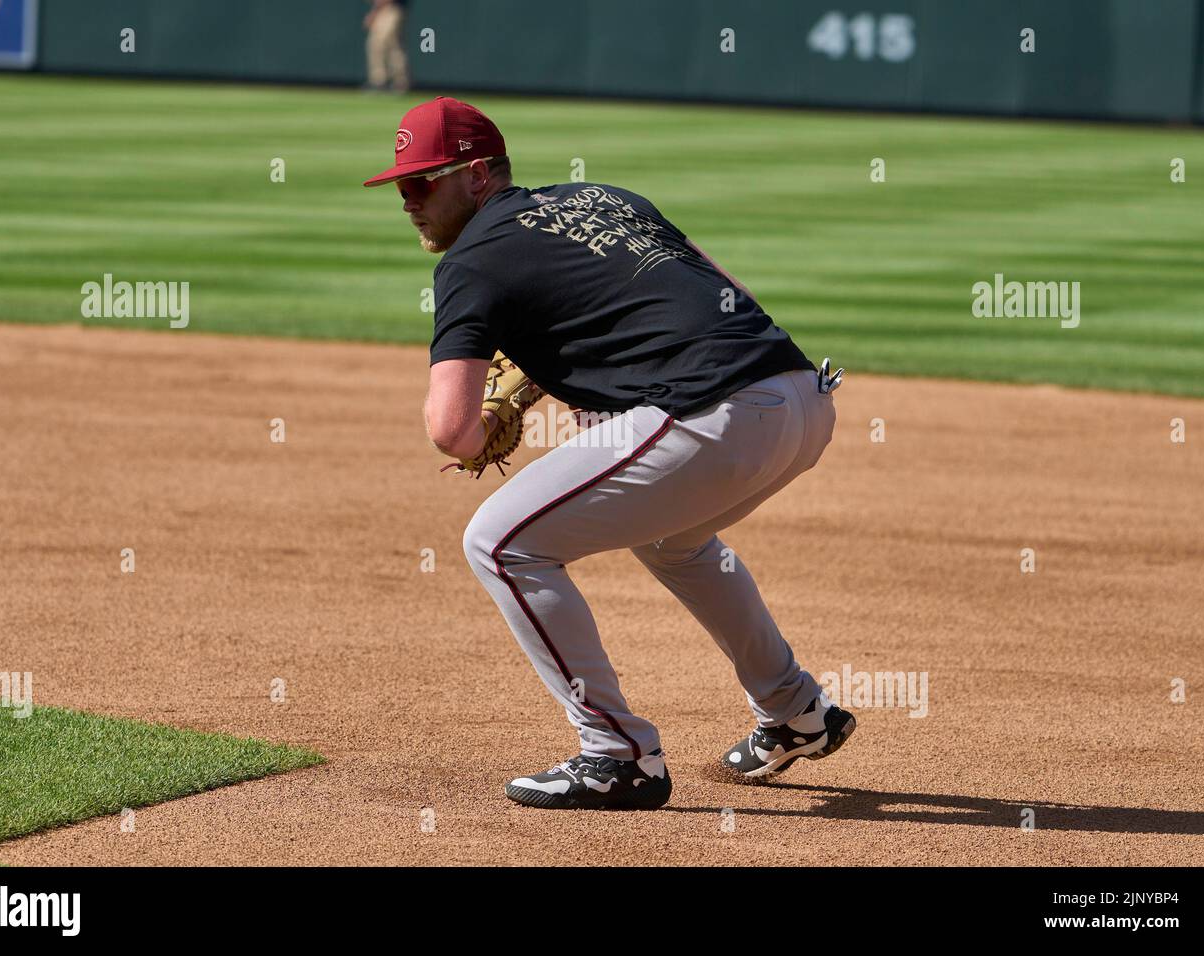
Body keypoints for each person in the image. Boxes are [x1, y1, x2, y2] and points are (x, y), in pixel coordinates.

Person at [364, 96, 853, 811]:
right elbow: (732, 296)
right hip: (801, 399)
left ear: (476, 176)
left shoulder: (471, 261)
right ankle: (797, 712)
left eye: (422, 182)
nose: (407, 200)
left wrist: (507, 410)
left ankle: (617, 754)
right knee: (674, 540)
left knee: (499, 543)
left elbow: (452, 432)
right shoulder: (604, 196)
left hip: (712, 414)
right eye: (400, 186)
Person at [363, 0, 409, 93]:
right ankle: (379, 81)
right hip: (383, 9)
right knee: (377, 45)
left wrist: (375, 11)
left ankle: (399, 82)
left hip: (393, 8)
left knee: (388, 44)